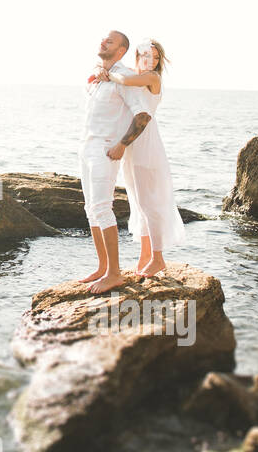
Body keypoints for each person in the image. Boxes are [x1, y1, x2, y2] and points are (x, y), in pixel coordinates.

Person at [101, 39, 185, 277]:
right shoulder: (135, 75)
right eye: (148, 56)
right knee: (138, 203)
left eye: (157, 58)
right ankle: (145, 256)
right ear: (137, 56)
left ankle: (158, 258)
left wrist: (108, 74)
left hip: (147, 144)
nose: (152, 61)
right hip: (133, 145)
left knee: (149, 203)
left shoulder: (152, 79)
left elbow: (125, 80)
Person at [78, 30, 152, 293]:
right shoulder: (101, 77)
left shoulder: (126, 78)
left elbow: (142, 116)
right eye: (103, 39)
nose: (102, 42)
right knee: (90, 209)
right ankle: (102, 267)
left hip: (105, 151)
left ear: (121, 50)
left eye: (110, 41)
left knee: (102, 207)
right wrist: (98, 73)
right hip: (86, 147)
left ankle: (114, 273)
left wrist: (122, 144)